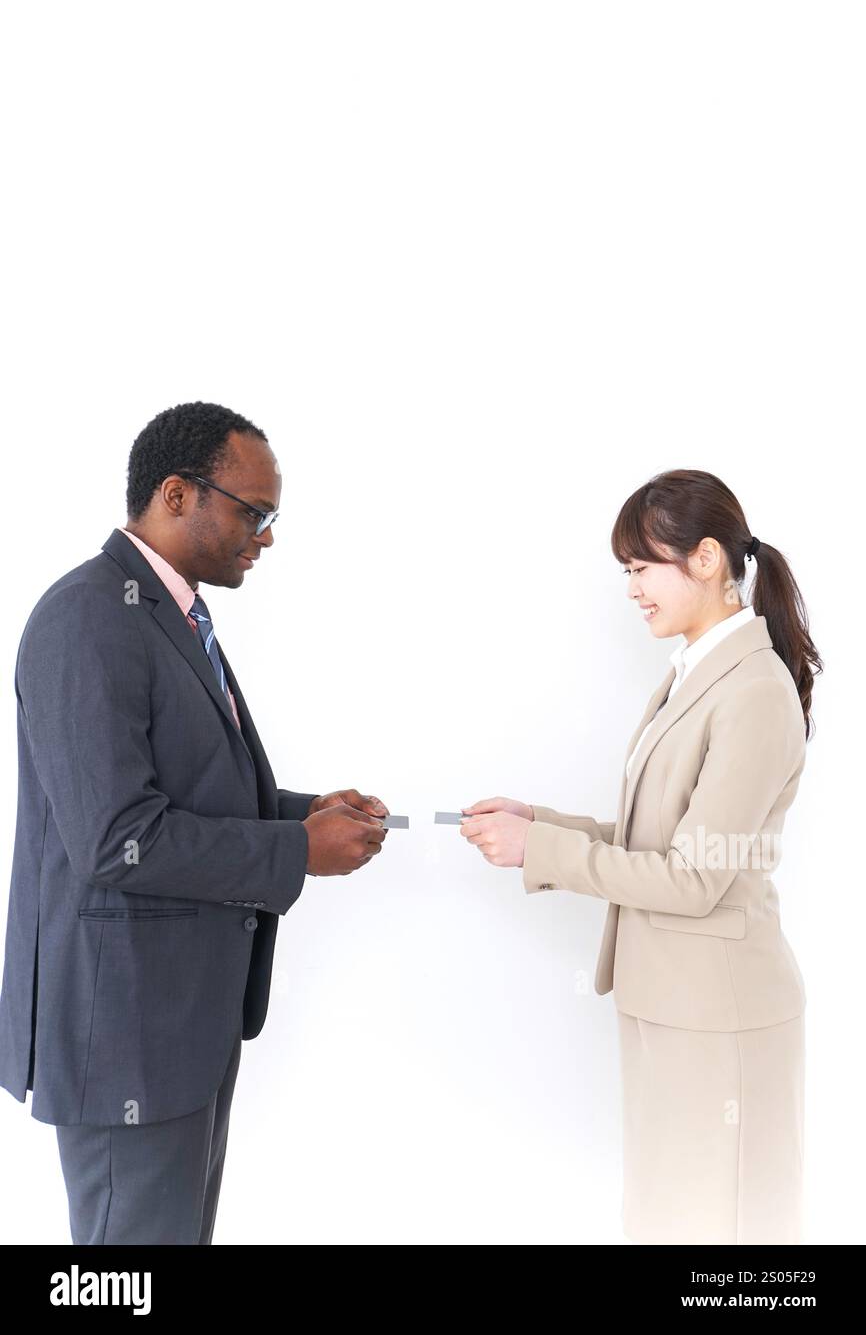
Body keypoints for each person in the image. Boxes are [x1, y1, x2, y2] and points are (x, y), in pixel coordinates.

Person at [0, 401, 390, 1244]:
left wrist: (305, 813)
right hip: (126, 1032)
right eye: (255, 512)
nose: (268, 536)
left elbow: (183, 795)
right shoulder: (88, 617)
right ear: (177, 495)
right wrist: (295, 851)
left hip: (181, 1026)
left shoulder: (169, 615)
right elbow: (113, 837)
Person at [460, 468, 822, 1245]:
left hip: (720, 1019)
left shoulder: (753, 690)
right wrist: (540, 822)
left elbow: (693, 879)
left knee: (725, 1243)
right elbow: (655, 840)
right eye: (627, 570)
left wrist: (544, 851)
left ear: (706, 560)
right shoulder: (693, 674)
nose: (631, 589)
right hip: (671, 1006)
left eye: (641, 566)